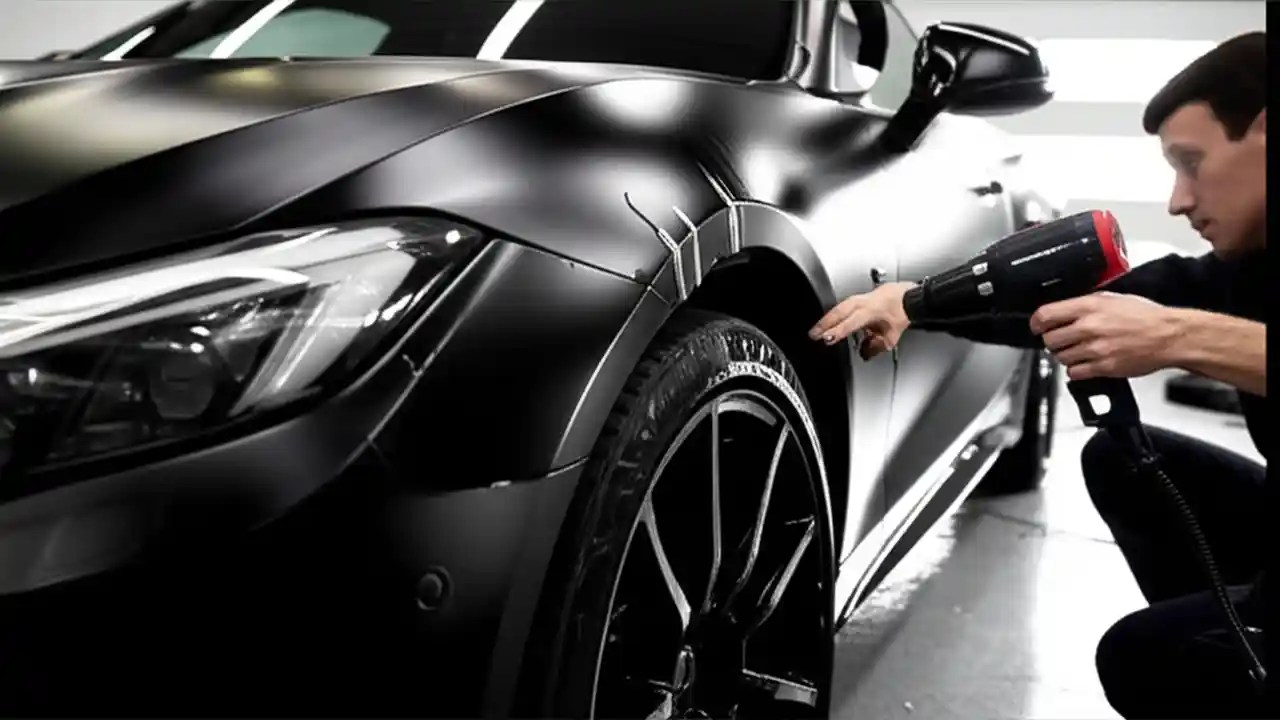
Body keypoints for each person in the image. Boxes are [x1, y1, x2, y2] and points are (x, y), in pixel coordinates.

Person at [808, 31, 1269, 719]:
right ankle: (1244, 633)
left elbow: (1176, 326)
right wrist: (911, 303)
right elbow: (1062, 311)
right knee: (1122, 462)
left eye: (1192, 164)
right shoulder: (1240, 270)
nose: (1177, 200)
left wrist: (1178, 335)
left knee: (1143, 658)